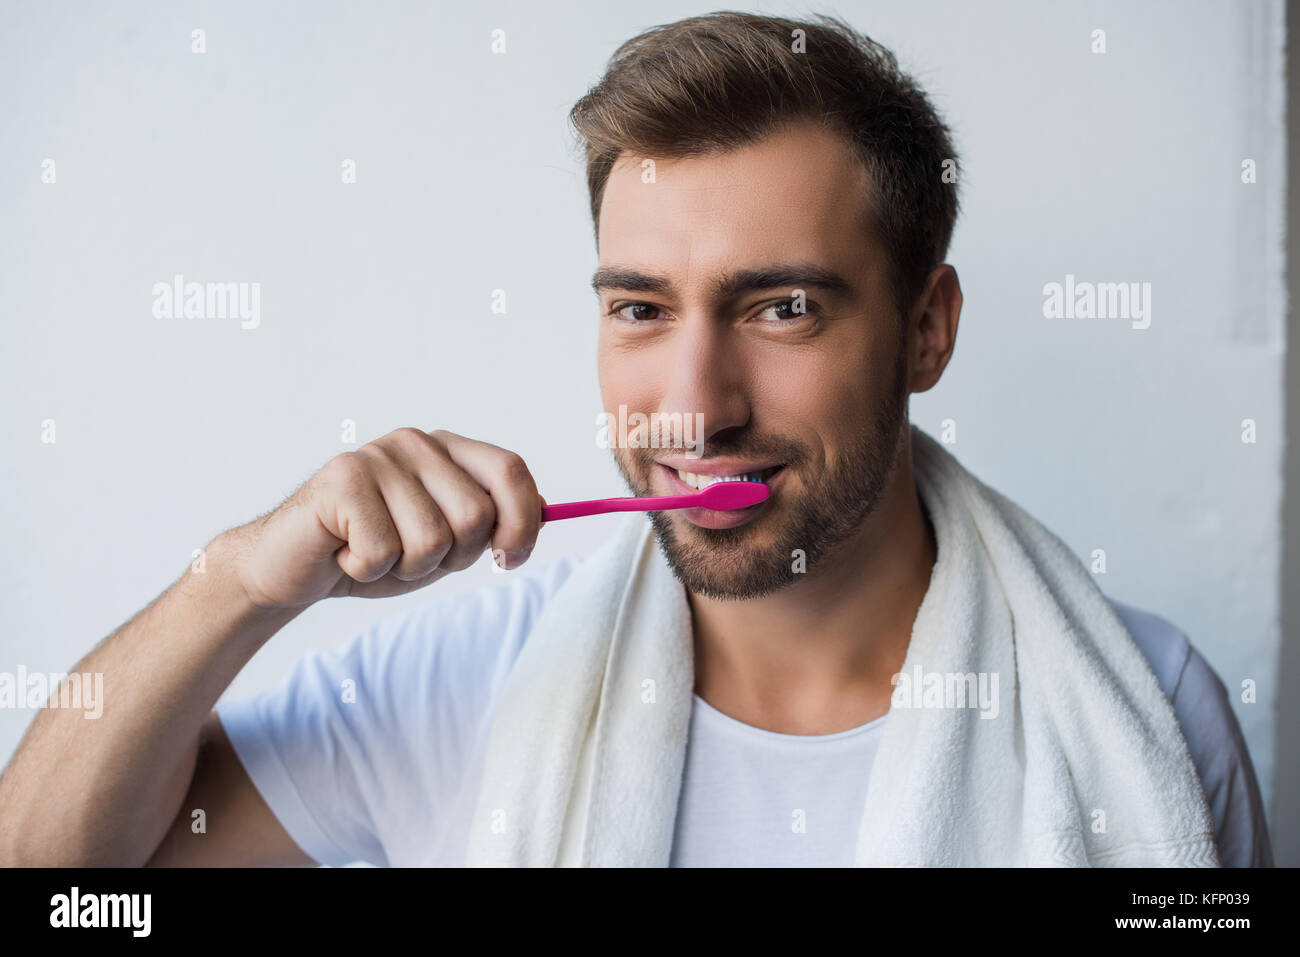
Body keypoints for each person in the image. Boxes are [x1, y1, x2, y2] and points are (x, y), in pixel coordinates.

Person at [0, 11, 1272, 867]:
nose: (694, 403)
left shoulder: (1145, 712)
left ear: (926, 329)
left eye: (783, 308)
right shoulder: (474, 681)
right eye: (640, 309)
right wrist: (238, 582)